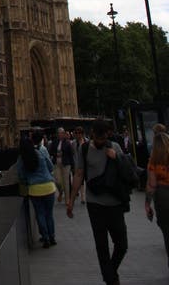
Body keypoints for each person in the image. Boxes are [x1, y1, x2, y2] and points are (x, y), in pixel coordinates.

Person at [67, 118, 133, 285]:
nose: (101, 142)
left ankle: (110, 272)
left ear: (108, 135)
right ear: (92, 134)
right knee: (101, 246)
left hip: (115, 204)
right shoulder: (84, 149)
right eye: (98, 138)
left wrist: (116, 157)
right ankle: (111, 280)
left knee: (122, 245)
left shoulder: (114, 147)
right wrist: (71, 200)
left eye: (104, 138)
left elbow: (129, 172)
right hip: (95, 204)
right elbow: (79, 174)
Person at [17, 132, 57, 248]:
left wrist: (27, 180)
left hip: (34, 189)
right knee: (49, 214)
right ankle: (52, 236)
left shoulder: (22, 158)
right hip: (49, 187)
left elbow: (21, 175)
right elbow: (50, 167)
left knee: (40, 214)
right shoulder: (40, 153)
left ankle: (45, 238)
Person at [145, 131, 169, 267]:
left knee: (167, 232)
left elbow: (151, 185)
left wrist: (147, 205)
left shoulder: (153, 161)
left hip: (162, 198)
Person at [49, 127, 74, 204]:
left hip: (66, 163)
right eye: (58, 133)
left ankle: (67, 199)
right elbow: (50, 151)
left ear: (63, 134)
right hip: (57, 163)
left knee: (66, 182)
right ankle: (61, 191)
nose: (60, 135)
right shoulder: (54, 142)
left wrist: (73, 166)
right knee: (57, 180)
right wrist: (56, 154)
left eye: (61, 133)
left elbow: (71, 154)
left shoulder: (68, 143)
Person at [72, 126, 88, 204]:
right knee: (81, 182)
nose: (78, 135)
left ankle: (86, 195)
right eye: (76, 133)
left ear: (82, 134)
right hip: (78, 165)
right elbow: (73, 154)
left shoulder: (87, 141)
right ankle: (83, 197)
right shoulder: (74, 143)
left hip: (87, 164)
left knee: (87, 180)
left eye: (79, 133)